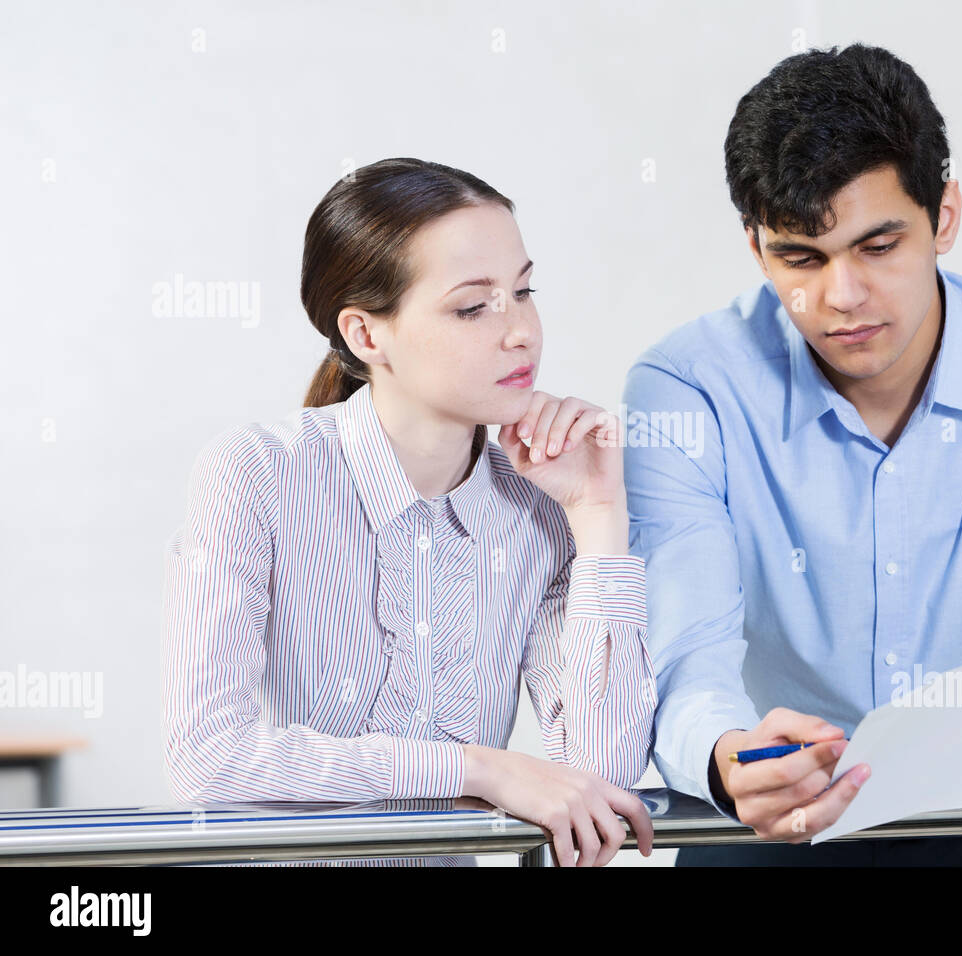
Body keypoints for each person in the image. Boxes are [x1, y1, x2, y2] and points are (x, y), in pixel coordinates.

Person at [623, 44, 962, 866]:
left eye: (879, 246)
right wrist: (726, 755)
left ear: (944, 216)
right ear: (755, 246)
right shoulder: (684, 387)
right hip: (768, 825)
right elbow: (690, 651)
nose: (841, 297)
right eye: (800, 258)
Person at [162, 158, 656, 867]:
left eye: (523, 291)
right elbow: (208, 758)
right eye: (472, 306)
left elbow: (600, 774)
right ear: (367, 335)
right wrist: (477, 769)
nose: (520, 331)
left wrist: (599, 513)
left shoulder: (540, 506)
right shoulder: (257, 473)